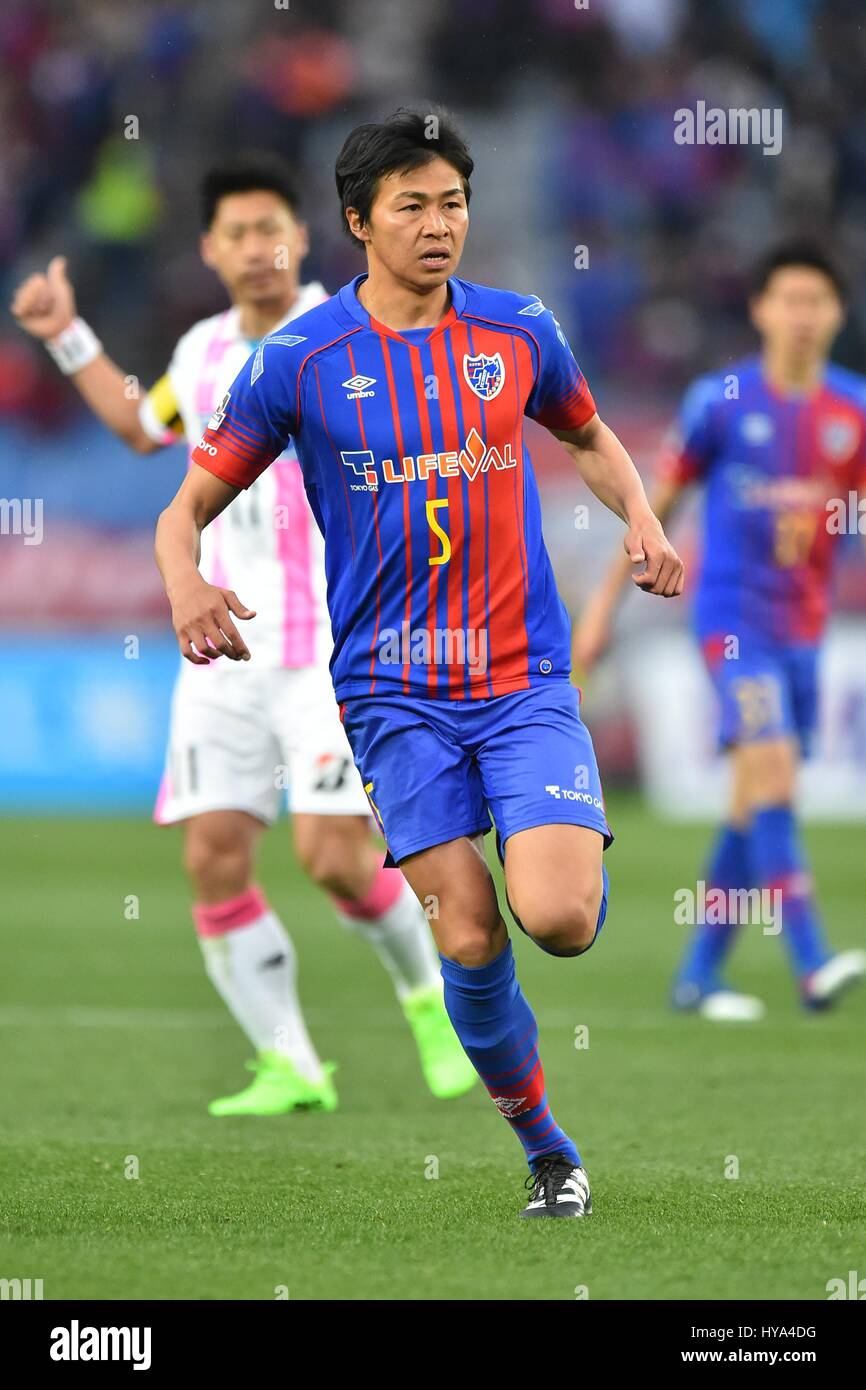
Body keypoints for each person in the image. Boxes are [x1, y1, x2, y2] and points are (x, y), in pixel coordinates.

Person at [153, 109, 683, 1218]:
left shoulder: (519, 330)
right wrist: (188, 585)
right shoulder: (297, 359)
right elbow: (187, 506)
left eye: (451, 203)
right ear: (357, 223)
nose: (439, 225)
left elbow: (586, 435)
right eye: (411, 206)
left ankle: (559, 848)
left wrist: (640, 517)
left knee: (559, 921)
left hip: (518, 679)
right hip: (392, 697)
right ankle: (547, 1150)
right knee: (471, 926)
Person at [12, 154, 477, 1114]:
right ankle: (289, 1062)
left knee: (336, 856)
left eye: (273, 228)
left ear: (302, 238)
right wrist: (67, 337)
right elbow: (147, 429)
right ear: (210, 250)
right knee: (213, 853)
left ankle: (433, 1003)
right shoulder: (202, 354)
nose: (257, 248)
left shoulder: (350, 335)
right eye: (236, 233)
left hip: (337, 646)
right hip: (223, 642)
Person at [574, 242, 866, 1021]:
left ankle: (698, 975)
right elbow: (652, 511)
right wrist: (602, 613)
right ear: (762, 310)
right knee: (771, 773)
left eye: (818, 302)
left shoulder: (852, 411)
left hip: (806, 627)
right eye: (789, 301)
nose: (803, 317)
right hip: (732, 621)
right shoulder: (722, 400)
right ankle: (810, 962)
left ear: (837, 313)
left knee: (754, 797)